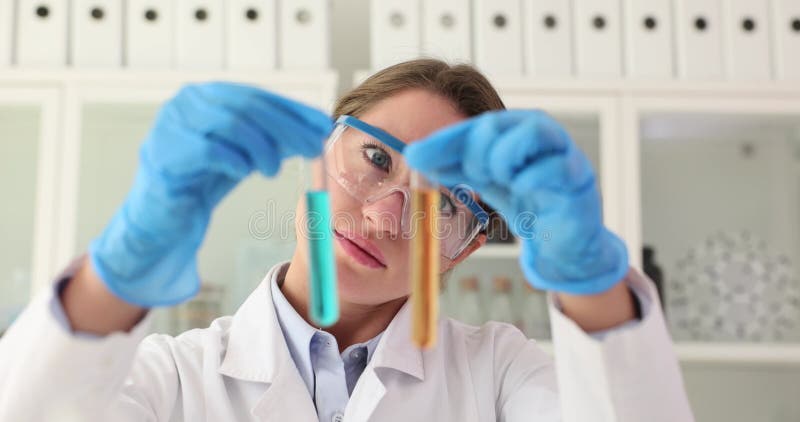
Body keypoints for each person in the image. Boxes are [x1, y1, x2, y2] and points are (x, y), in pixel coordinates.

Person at [0, 59, 694, 421]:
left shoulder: (499, 376)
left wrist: (589, 279)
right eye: (375, 160)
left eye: (441, 203)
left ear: (463, 249)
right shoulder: (172, 377)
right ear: (320, 150)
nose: (389, 217)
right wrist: (117, 273)